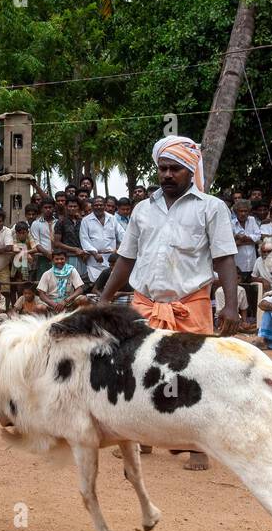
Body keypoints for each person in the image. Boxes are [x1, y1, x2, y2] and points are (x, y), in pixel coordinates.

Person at [98, 135, 239, 472]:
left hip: (191, 305)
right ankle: (142, 439)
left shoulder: (211, 208)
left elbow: (225, 259)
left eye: (175, 168)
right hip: (144, 305)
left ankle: (197, 447)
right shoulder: (143, 210)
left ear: (190, 171)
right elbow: (125, 259)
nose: (167, 174)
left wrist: (230, 305)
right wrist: (104, 297)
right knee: (138, 371)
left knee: (193, 375)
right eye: (162, 168)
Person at [37, 249, 88, 313]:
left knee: (83, 299)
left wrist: (66, 301)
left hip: (69, 301)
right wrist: (53, 304)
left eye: (62, 259)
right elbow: (41, 294)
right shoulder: (47, 274)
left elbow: (80, 289)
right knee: (39, 308)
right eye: (57, 259)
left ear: (66, 259)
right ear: (52, 260)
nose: (59, 261)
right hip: (52, 303)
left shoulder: (72, 270)